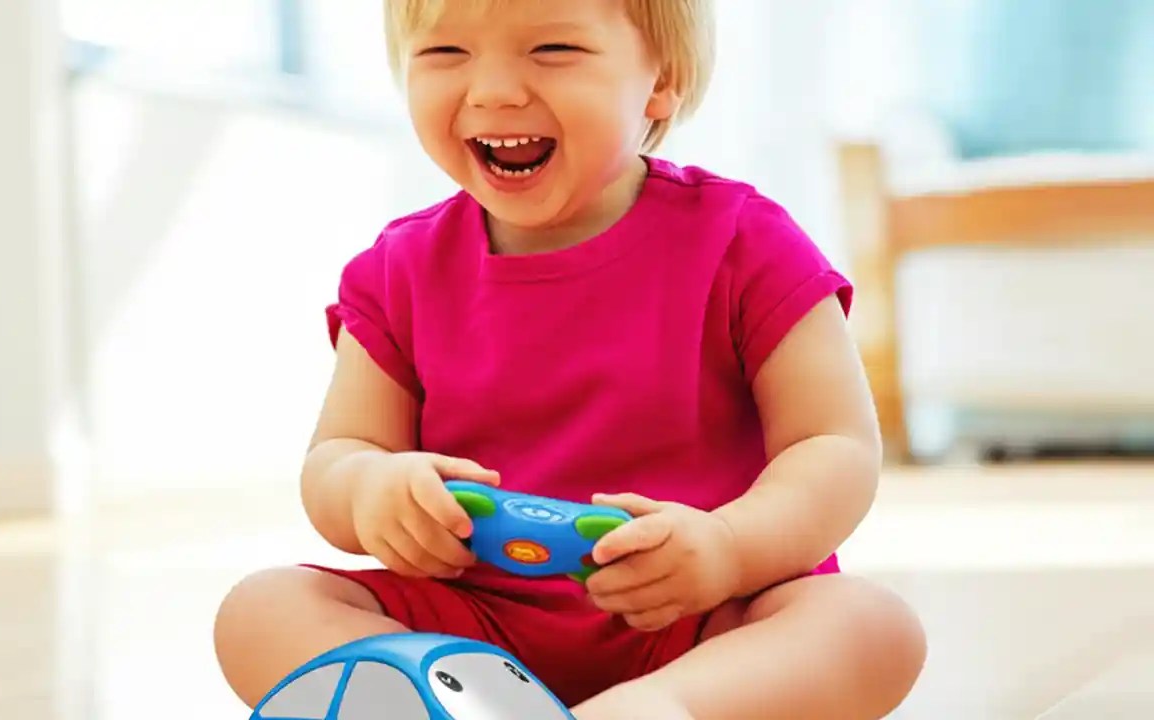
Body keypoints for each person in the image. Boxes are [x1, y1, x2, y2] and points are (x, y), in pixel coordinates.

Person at [214, 1, 927, 717]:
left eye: (552, 49)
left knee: (870, 625)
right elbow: (342, 451)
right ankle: (468, 703)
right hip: (471, 631)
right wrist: (373, 492)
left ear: (661, 82)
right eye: (445, 54)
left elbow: (832, 445)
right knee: (263, 607)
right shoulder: (398, 271)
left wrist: (729, 549)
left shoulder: (745, 242)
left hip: (698, 620)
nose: (492, 90)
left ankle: (661, 708)